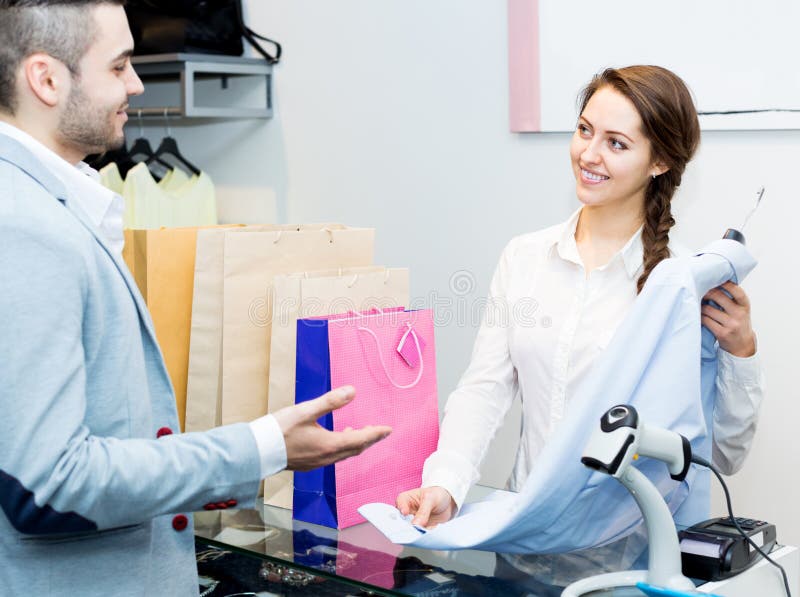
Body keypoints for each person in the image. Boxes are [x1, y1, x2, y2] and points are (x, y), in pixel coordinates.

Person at [0, 2, 390, 595]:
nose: (136, 84)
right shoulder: (25, 228)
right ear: (46, 79)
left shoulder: (47, 208)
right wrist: (261, 447)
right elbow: (51, 485)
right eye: (119, 66)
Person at [397, 65, 764, 530]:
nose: (588, 155)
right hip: (525, 532)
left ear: (659, 162)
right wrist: (445, 483)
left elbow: (722, 455)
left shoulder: (682, 284)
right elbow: (484, 389)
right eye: (585, 130)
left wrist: (741, 351)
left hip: (628, 545)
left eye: (616, 143)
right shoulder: (524, 257)